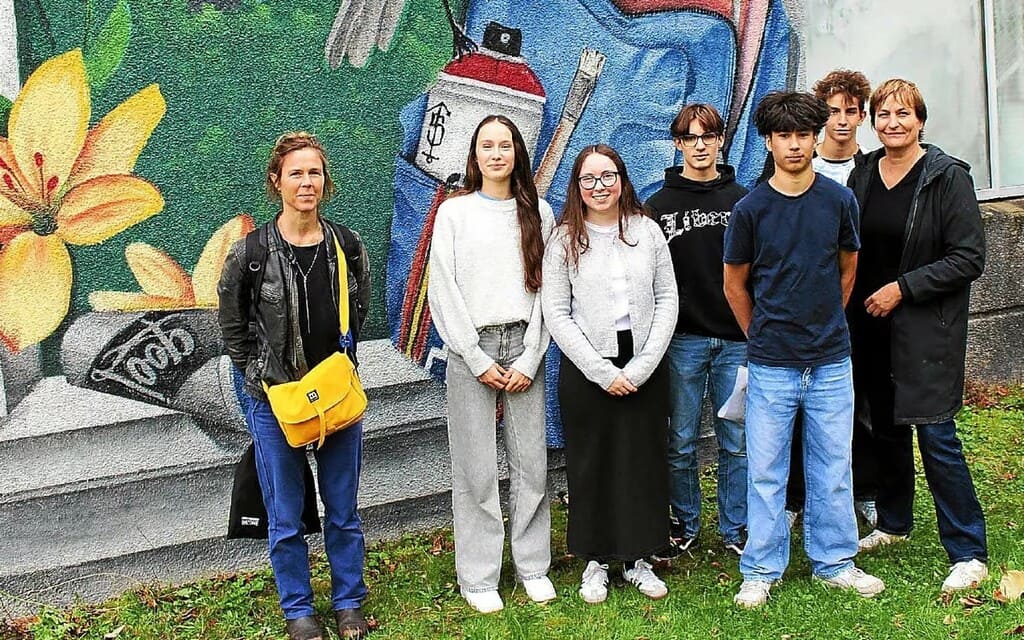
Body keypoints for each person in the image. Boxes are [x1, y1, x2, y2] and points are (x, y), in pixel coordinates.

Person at [723, 92, 884, 609]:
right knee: (766, 470)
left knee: (833, 466)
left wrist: (825, 321)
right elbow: (734, 284)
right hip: (771, 364)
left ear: (815, 138)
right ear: (768, 142)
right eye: (783, 135)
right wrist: (762, 335)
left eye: (802, 135)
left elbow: (847, 269)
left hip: (832, 361)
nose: (794, 145)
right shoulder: (750, 210)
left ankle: (835, 562)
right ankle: (760, 569)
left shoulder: (839, 201)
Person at [218, 132, 372, 640]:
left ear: (326, 181)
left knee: (343, 509)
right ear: (276, 181)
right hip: (274, 400)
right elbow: (232, 325)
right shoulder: (251, 253)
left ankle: (348, 602)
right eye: (296, 173)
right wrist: (258, 376)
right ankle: (299, 611)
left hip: (336, 397)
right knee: (285, 514)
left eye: (315, 173)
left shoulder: (346, 245)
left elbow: (359, 308)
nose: (307, 182)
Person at [848, 78, 988, 592]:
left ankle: (968, 549)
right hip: (869, 324)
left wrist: (902, 289)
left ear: (921, 121)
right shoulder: (864, 172)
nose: (893, 123)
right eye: (884, 114)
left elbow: (968, 257)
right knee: (884, 428)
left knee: (935, 434)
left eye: (903, 114)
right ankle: (894, 522)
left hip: (926, 329)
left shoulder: (947, 177)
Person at [426, 114, 556, 614]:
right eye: (487, 146)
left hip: (525, 344)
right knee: (475, 467)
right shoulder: (454, 214)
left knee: (532, 464)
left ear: (518, 152)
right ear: (475, 155)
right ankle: (479, 577)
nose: (497, 154)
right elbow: (443, 289)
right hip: (471, 348)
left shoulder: (538, 212)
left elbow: (548, 291)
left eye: (505, 145)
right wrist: (475, 356)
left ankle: (533, 566)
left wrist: (532, 355)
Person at [542, 144, 678, 604]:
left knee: (642, 461)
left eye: (607, 177)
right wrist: (601, 372)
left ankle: (639, 559)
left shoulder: (647, 230)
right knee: (592, 463)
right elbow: (557, 313)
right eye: (589, 179)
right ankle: (596, 562)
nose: (599, 187)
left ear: (622, 180)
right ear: (577, 186)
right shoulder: (564, 240)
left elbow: (667, 299)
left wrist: (643, 365)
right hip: (587, 369)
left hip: (644, 365)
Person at [645, 103, 749, 557]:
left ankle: (736, 529)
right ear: (678, 144)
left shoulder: (743, 200)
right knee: (681, 440)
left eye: (708, 136)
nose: (700, 145)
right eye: (690, 137)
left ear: (720, 140)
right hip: (682, 341)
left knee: (737, 440)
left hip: (736, 342)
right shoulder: (658, 206)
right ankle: (684, 524)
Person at [780, 70, 879, 531]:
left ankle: (864, 491)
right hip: (801, 315)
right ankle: (795, 497)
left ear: (862, 117)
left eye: (850, 111)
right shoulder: (796, 169)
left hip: (859, 309)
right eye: (833, 111)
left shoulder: (872, 170)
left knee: (858, 408)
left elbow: (857, 251)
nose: (842, 120)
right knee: (796, 411)